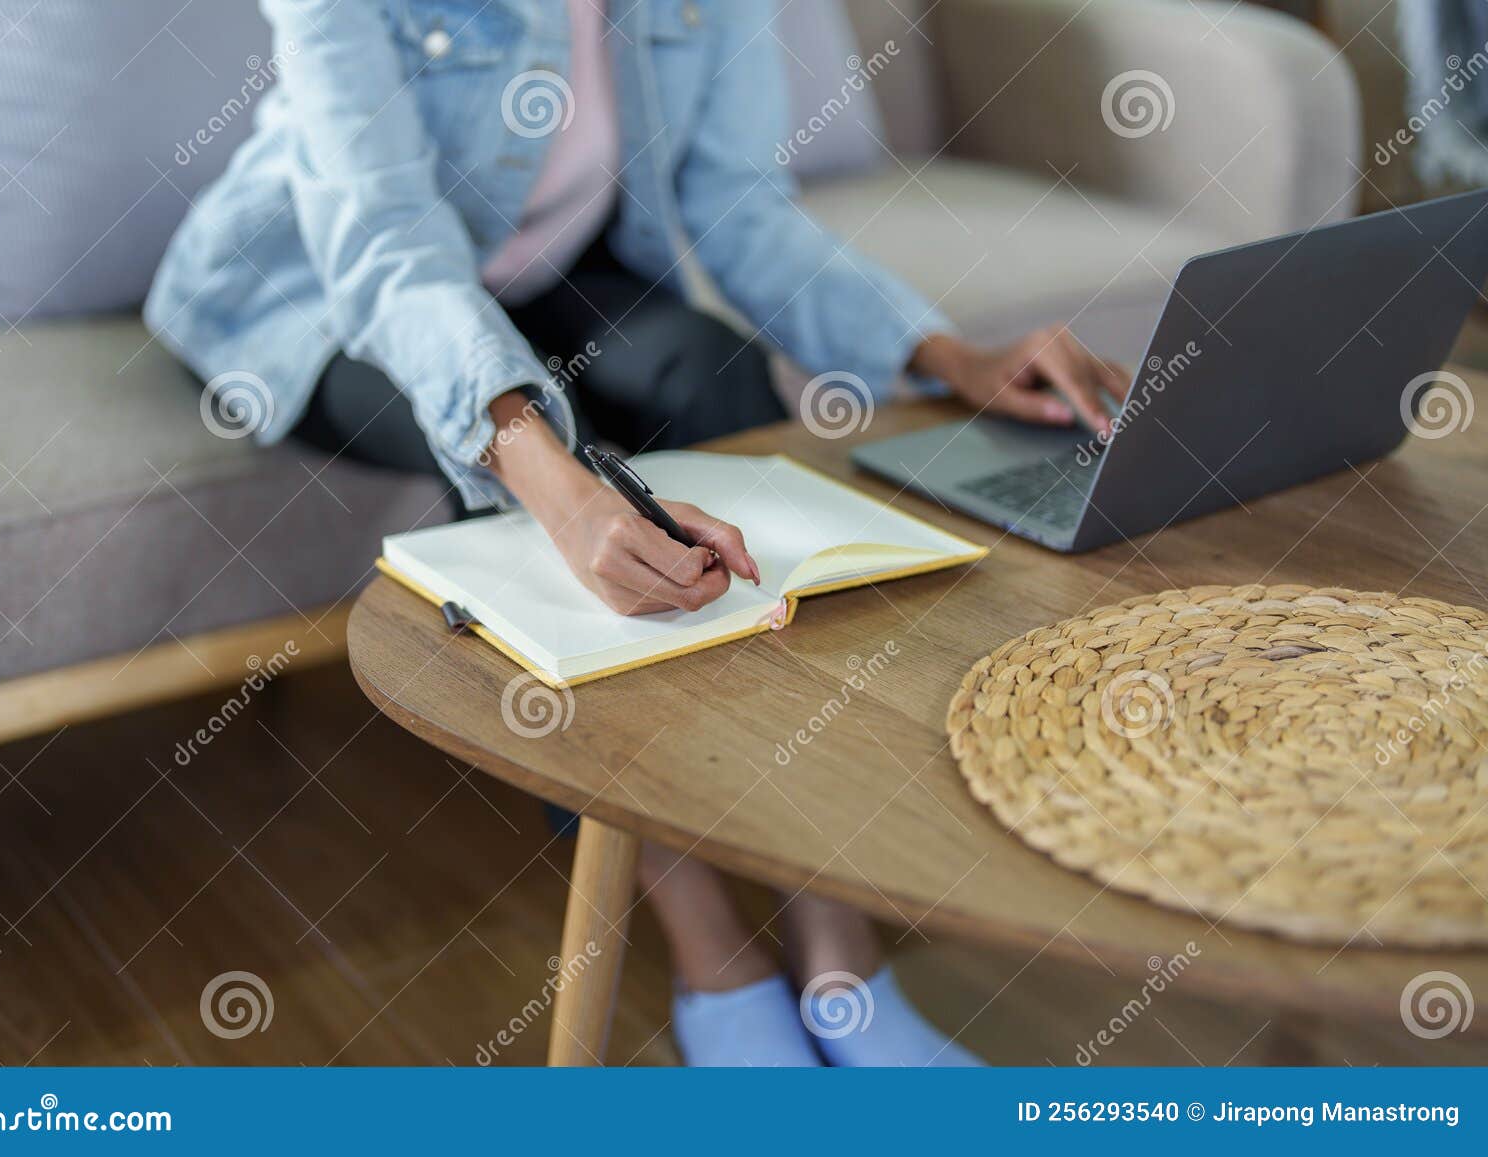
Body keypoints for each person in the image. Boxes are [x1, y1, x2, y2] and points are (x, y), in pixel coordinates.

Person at [147, 0, 1129, 1065]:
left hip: (549, 275)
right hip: (316, 293)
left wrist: (949, 355)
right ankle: (714, 958)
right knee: (530, 467)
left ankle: (838, 955)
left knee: (711, 375)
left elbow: (740, 207)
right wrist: (560, 488)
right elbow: (392, 252)